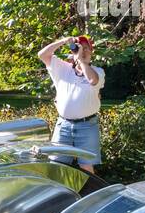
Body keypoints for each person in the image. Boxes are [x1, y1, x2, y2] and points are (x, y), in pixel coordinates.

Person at [38, 34, 104, 174]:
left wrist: (81, 62)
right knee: (56, 165)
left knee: (86, 166)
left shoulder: (98, 72)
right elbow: (42, 54)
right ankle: (59, 194)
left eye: (87, 48)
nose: (84, 51)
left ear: (91, 52)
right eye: (80, 48)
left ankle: (90, 194)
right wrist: (63, 41)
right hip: (64, 125)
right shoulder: (63, 68)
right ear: (73, 51)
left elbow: (93, 81)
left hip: (87, 125)